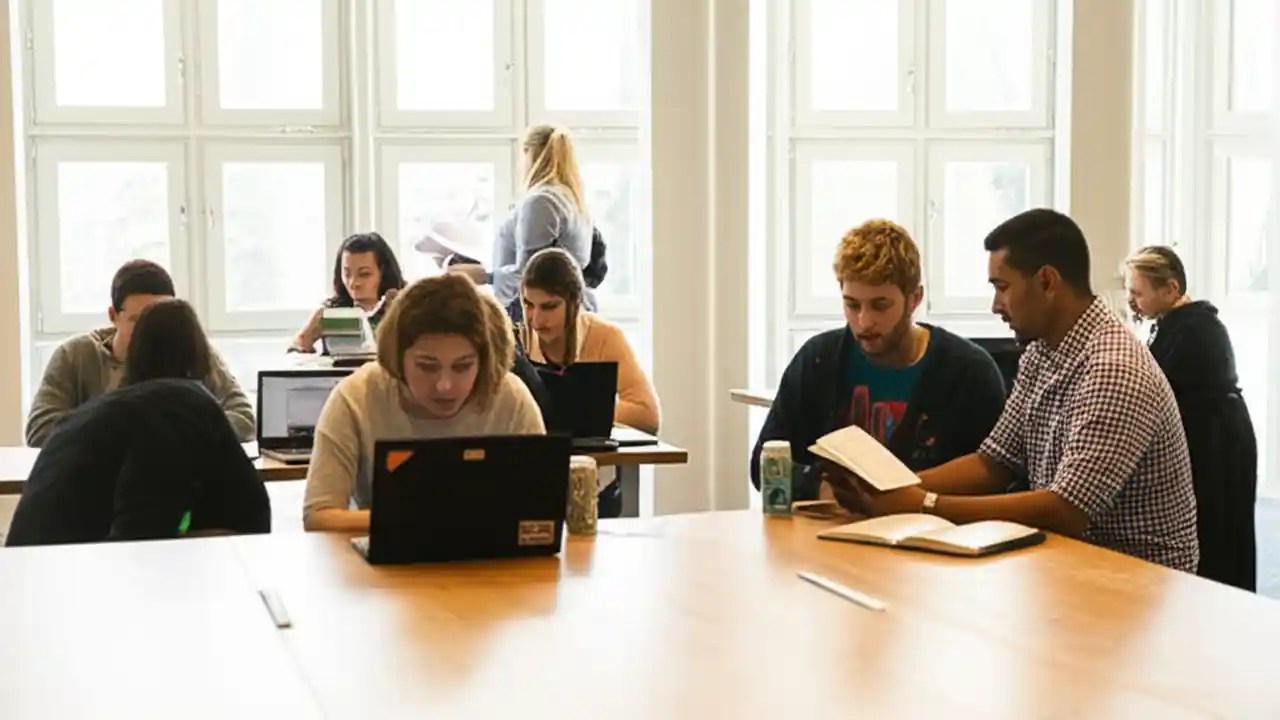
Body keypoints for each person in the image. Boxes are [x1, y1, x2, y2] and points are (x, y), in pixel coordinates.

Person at [835, 209, 1199, 571]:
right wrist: (885, 487)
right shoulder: (1043, 352)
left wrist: (921, 503)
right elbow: (994, 462)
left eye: (1002, 287)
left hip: (1135, 586)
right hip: (1070, 571)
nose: (995, 305)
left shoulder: (1113, 367)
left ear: (1047, 281)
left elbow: (1065, 510)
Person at [750, 219, 1007, 499]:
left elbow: (994, 477)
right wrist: (824, 490)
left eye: (880, 305)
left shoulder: (967, 372)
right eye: (852, 305)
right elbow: (763, 467)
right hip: (825, 530)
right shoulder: (818, 359)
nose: (864, 322)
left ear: (915, 298)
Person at [6, 299, 270, 546]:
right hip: (59, 574)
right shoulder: (177, 410)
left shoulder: (100, 413)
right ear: (202, 355)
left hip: (27, 569)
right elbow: (141, 543)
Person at [302, 274, 546, 533]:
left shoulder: (510, 397)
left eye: (462, 366)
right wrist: (431, 520)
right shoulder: (356, 397)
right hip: (386, 568)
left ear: (484, 361)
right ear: (397, 357)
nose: (444, 385)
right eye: (427, 366)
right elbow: (318, 516)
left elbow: (543, 509)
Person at [1125, 245, 1257, 589]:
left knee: (1216, 525)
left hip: (1215, 441)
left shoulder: (1194, 329)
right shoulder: (1180, 325)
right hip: (1214, 431)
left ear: (1170, 289)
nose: (1132, 302)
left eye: (1138, 293)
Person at [25, 259, 254, 447]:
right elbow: (41, 429)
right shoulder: (75, 355)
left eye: (162, 320)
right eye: (139, 320)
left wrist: (175, 437)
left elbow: (243, 418)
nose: (151, 329)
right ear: (113, 315)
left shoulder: (190, 350)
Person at [448, 125, 598, 321]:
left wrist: (485, 276)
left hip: (535, 313)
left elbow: (531, 272)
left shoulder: (542, 201)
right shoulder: (571, 199)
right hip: (561, 308)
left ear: (530, 154)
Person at [518, 247, 661, 434]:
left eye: (549, 307)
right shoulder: (515, 339)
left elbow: (648, 414)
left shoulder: (606, 337)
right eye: (528, 305)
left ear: (575, 302)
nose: (535, 320)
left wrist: (575, 415)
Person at [291, 232, 407, 353]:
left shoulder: (402, 309)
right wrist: (304, 347)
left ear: (383, 272)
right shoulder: (330, 314)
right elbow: (296, 348)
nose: (353, 283)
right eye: (347, 274)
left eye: (364, 274)